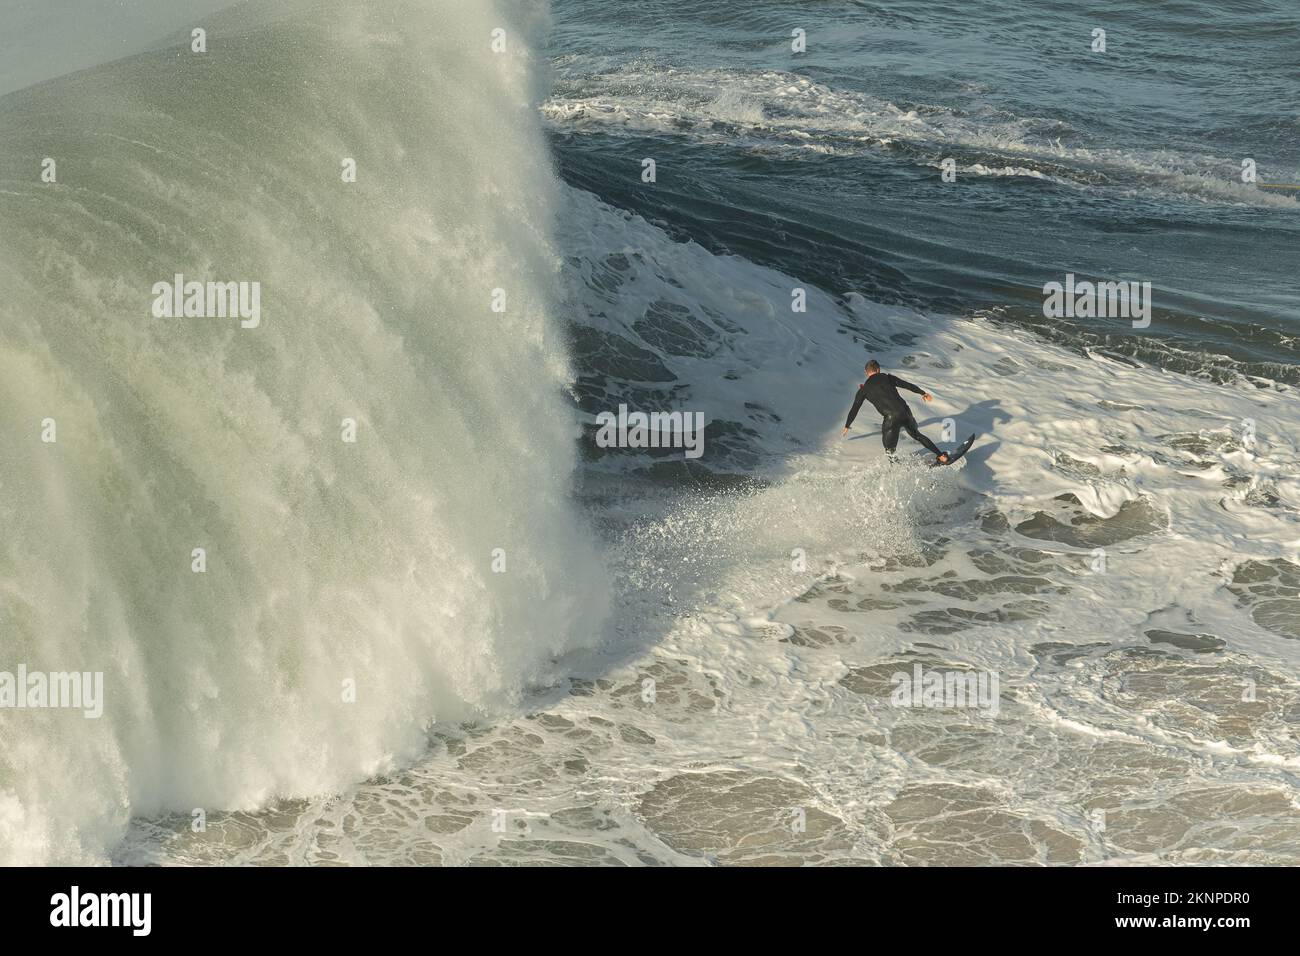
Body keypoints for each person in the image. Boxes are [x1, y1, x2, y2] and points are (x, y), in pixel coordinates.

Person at [842, 360, 948, 463]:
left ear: (866, 372)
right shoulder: (888, 378)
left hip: (891, 419)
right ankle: (941, 456)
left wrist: (847, 425)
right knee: (917, 435)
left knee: (890, 451)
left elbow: (855, 408)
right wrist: (922, 393)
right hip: (905, 412)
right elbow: (907, 385)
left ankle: (899, 472)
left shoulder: (863, 390)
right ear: (878, 369)